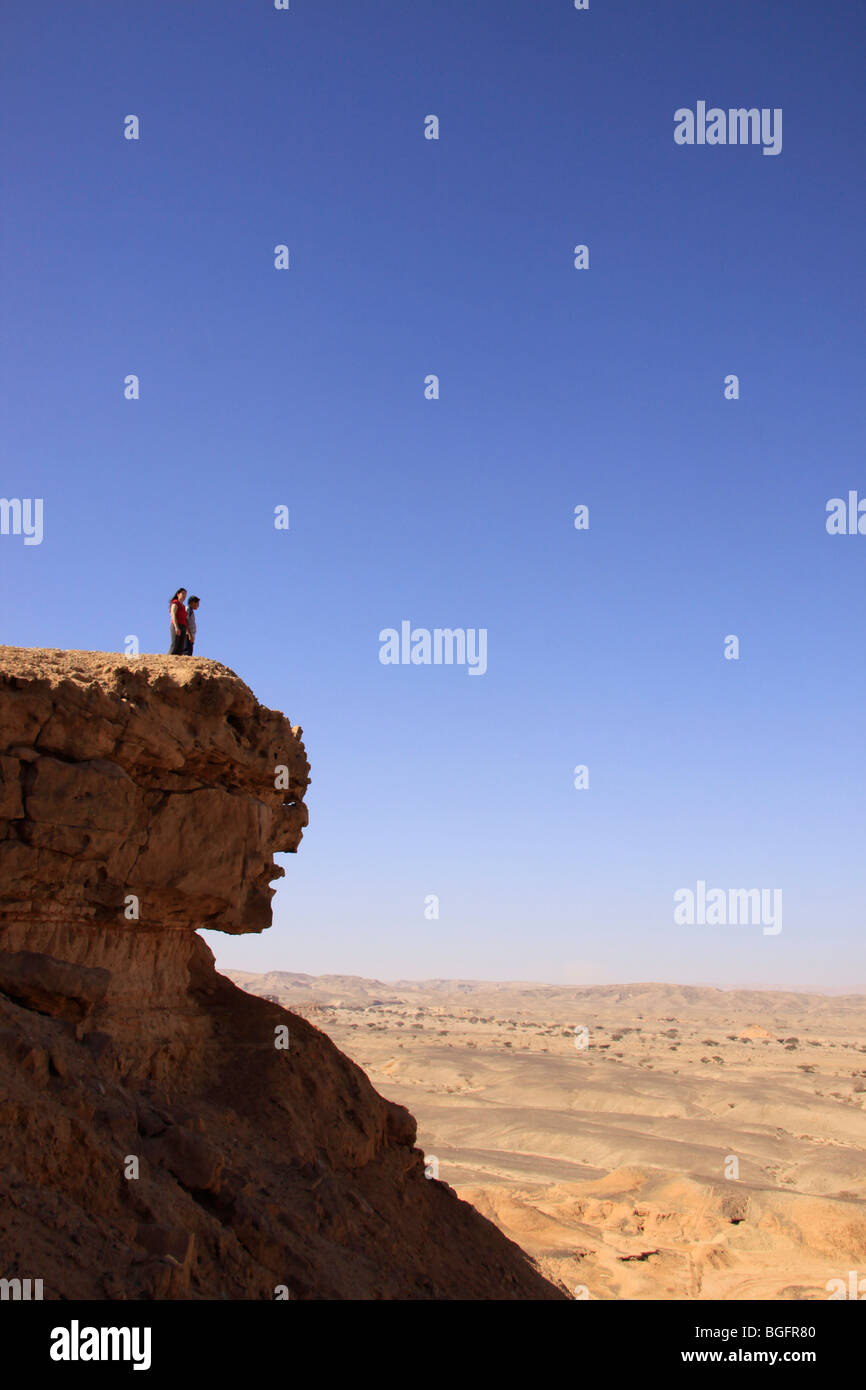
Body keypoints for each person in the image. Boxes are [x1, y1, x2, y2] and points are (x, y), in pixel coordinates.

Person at [168, 588, 188, 654]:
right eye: (183, 593)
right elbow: (173, 614)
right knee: (174, 645)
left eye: (185, 594)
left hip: (183, 626)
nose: (184, 595)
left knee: (181, 647)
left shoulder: (184, 606)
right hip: (176, 625)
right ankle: (168, 660)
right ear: (178, 594)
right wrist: (176, 627)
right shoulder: (175, 603)